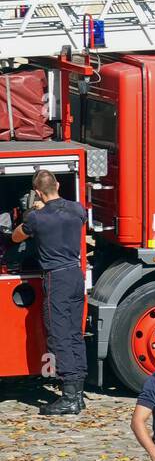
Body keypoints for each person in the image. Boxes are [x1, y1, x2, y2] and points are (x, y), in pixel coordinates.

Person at [10, 170, 88, 415]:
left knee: (59, 334)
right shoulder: (77, 209)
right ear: (57, 184)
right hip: (76, 274)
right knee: (75, 332)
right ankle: (78, 390)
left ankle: (69, 397)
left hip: (56, 278)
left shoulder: (37, 217)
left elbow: (15, 237)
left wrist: (33, 210)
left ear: (38, 192)